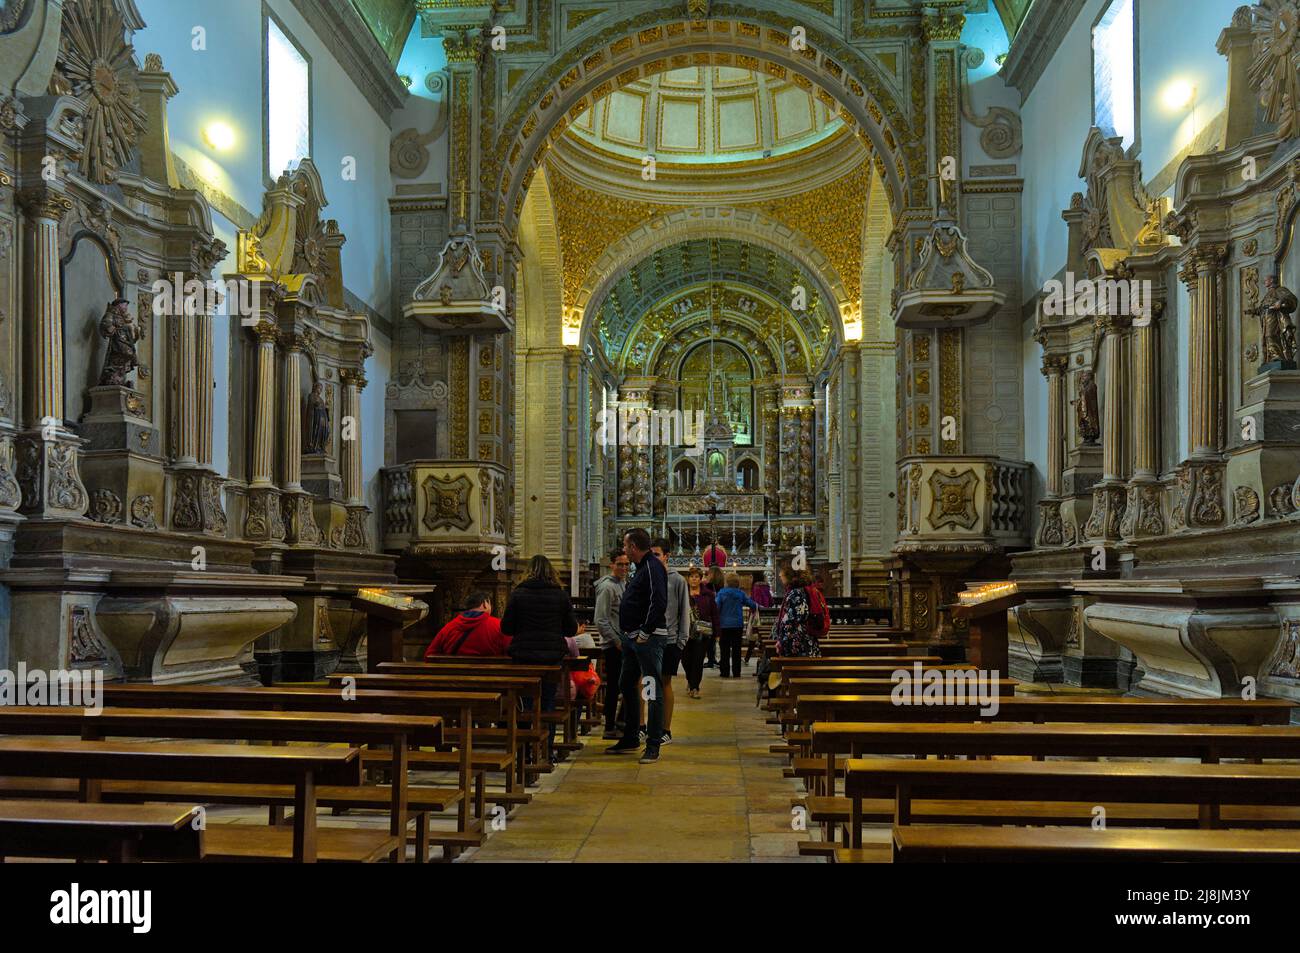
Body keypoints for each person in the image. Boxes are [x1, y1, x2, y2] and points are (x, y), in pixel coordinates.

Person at [502, 555, 580, 754]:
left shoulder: (518, 594)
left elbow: (507, 628)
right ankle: (546, 750)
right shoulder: (560, 595)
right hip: (551, 657)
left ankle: (526, 751)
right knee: (548, 701)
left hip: (524, 656)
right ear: (551, 572)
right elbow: (571, 629)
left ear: (528, 572)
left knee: (525, 702)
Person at [606, 528, 667, 763]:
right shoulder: (642, 568)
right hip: (633, 638)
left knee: (651, 689)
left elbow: (658, 600)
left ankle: (653, 744)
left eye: (625, 545)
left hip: (647, 639)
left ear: (633, 547)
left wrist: (645, 631)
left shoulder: (652, 567)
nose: (623, 549)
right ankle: (631, 735)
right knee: (625, 682)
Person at [651, 537, 692, 744]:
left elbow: (684, 611)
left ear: (666, 556)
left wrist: (681, 641)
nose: (653, 558)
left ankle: (665, 728)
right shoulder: (645, 576)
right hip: (649, 640)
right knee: (649, 682)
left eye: (657, 554)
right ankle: (650, 726)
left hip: (670, 640)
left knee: (665, 682)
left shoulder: (677, 580)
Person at [594, 548, 629, 739]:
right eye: (620, 564)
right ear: (612, 565)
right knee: (615, 686)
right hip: (613, 644)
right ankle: (609, 726)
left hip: (622, 641)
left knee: (626, 684)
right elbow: (601, 619)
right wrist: (616, 641)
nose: (624, 567)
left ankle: (622, 721)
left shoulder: (622, 583)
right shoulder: (607, 587)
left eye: (626, 564)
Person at [424, 591, 509, 657]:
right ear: (485, 604)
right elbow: (510, 650)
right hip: (492, 676)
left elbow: (429, 654)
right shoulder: (499, 625)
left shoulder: (449, 626)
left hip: (454, 676)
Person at [715, 572, 759, 677]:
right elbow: (752, 604)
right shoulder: (740, 593)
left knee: (724, 650)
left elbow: (716, 607)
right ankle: (736, 672)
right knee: (736, 649)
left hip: (724, 625)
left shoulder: (721, 593)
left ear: (726, 582)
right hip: (737, 625)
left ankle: (724, 672)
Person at [771, 566, 821, 658]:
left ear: (789, 574)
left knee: (796, 670)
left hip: (797, 644)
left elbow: (792, 621)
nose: (779, 575)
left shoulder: (796, 593)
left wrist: (782, 642)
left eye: (782, 572)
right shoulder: (801, 590)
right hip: (802, 641)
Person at [683, 567, 707, 698]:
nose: (694, 579)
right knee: (686, 660)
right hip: (684, 631)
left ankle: (695, 687)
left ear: (700, 579)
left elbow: (713, 613)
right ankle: (690, 680)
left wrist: (717, 632)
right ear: (688, 578)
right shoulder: (682, 593)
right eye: (692, 576)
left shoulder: (707, 594)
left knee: (698, 661)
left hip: (701, 632)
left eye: (697, 577)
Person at [700, 566, 723, 668]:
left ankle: (711, 659)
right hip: (721, 615)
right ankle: (716, 659)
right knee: (715, 639)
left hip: (710, 614)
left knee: (710, 640)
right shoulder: (722, 586)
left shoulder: (708, 586)